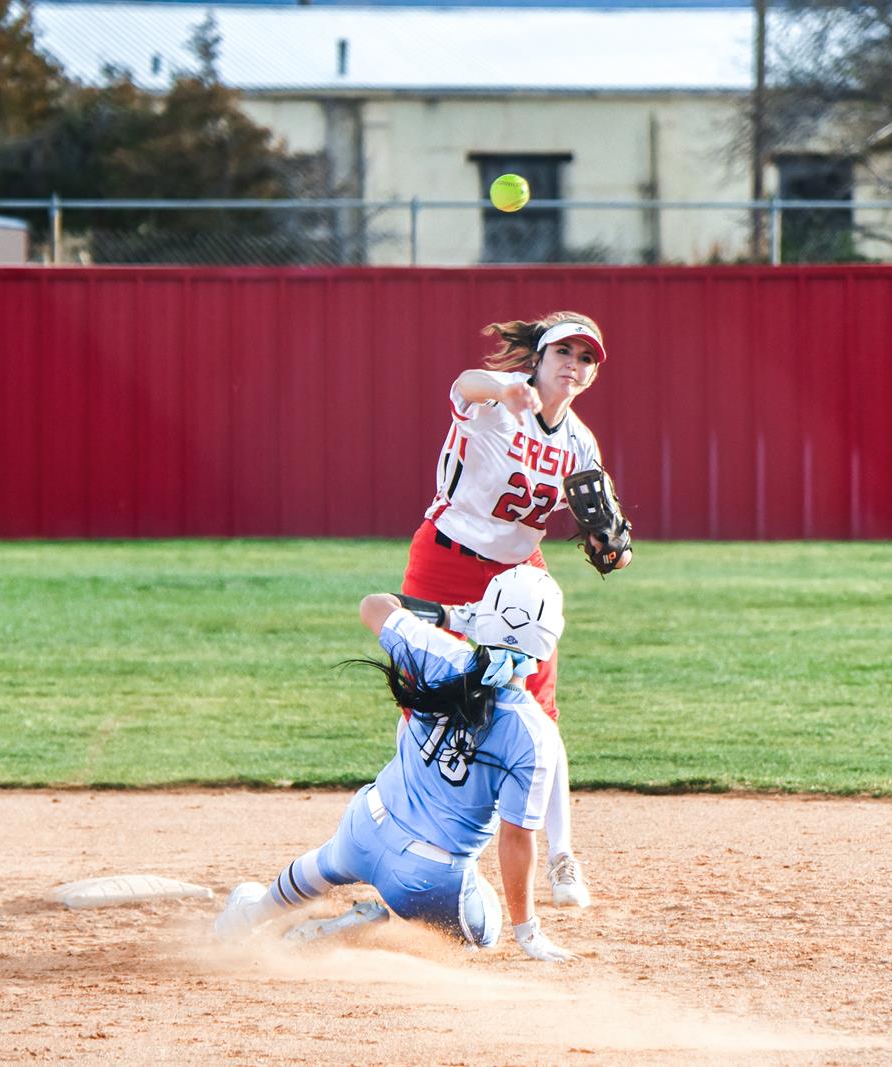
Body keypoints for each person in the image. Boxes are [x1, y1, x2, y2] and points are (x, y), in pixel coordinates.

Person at [214, 565, 577, 962]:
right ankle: (343, 932)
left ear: (482, 618)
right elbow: (516, 839)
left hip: (365, 826)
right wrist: (527, 933)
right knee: (485, 927)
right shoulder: (535, 731)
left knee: (327, 862)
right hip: (427, 880)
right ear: (548, 641)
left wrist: (451, 616)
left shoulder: (439, 653)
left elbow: (373, 605)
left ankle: (250, 917)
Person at [400, 311, 632, 910]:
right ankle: (419, 838)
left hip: (520, 576)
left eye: (586, 359)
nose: (574, 366)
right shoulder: (497, 401)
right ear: (539, 356)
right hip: (447, 554)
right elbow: (463, 385)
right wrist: (501, 388)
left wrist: (613, 548)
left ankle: (561, 855)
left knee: (539, 714)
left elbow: (602, 524)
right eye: (564, 353)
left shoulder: (581, 441)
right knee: (424, 697)